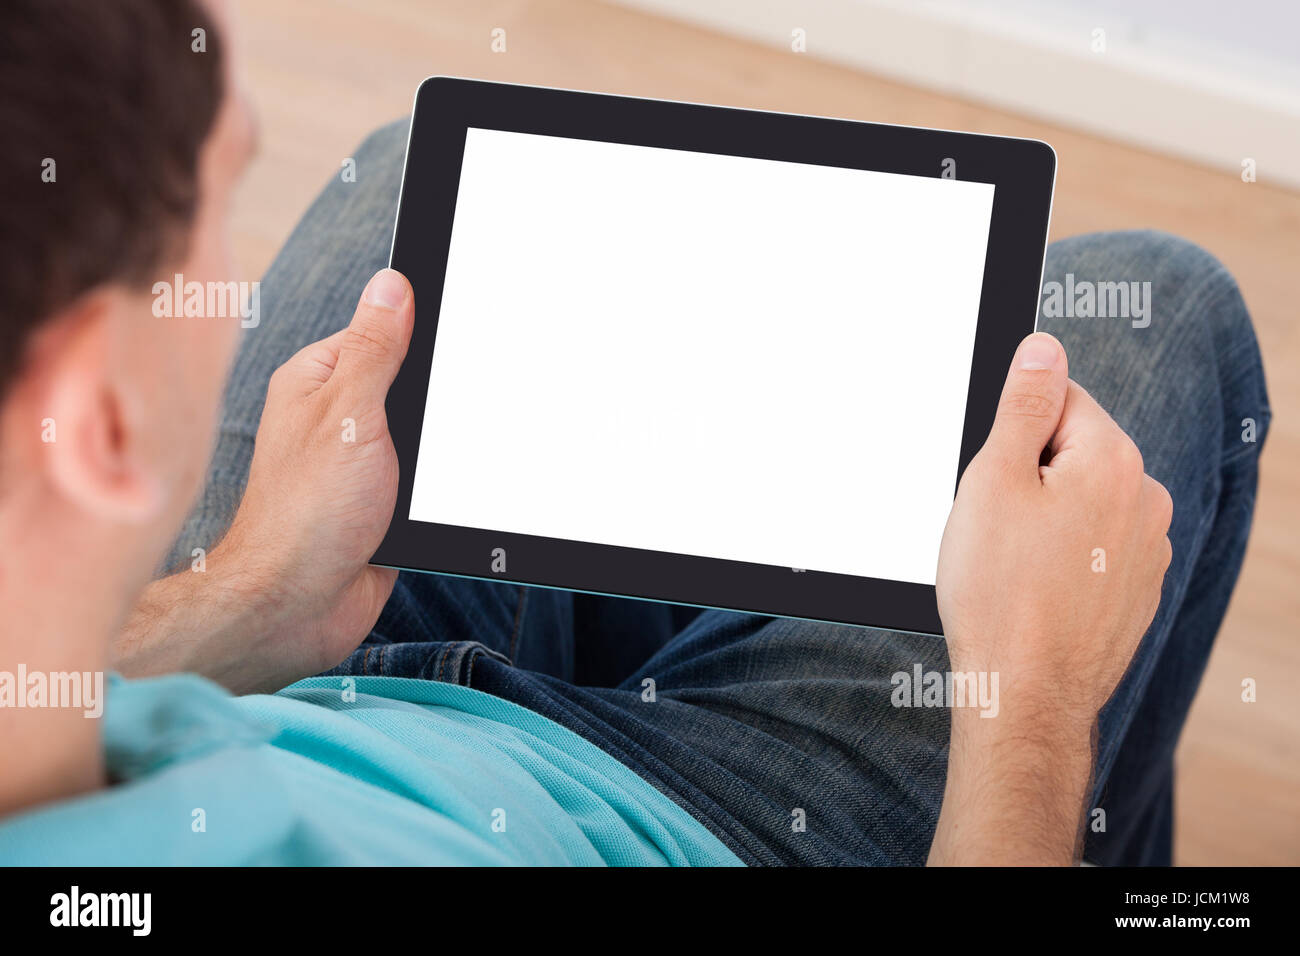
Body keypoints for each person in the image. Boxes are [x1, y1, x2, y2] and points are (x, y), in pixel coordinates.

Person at [0, 0, 1269, 865]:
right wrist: (1033, 701)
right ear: (100, 417)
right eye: (222, 207)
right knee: (1158, 306)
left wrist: (245, 597)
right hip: (688, 814)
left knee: (401, 187)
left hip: (287, 682)